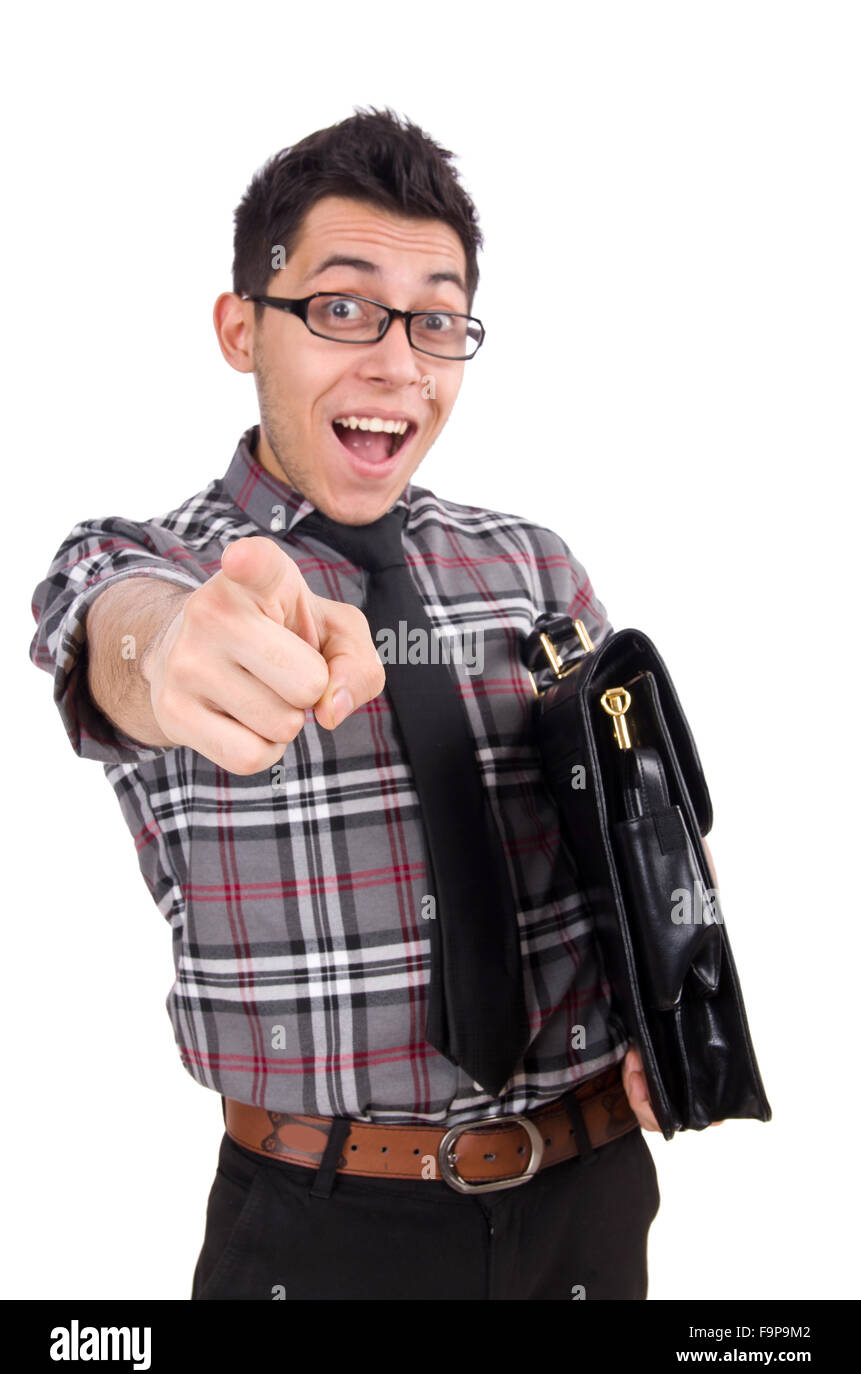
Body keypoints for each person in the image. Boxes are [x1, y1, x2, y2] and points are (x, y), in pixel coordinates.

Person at [29, 107, 678, 1301]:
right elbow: (109, 632)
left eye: (435, 318)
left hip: (590, 1205)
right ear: (241, 329)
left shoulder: (531, 565)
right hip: (322, 1234)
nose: (397, 364)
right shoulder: (159, 564)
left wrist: (668, 1004)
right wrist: (173, 648)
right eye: (342, 309)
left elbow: (624, 833)